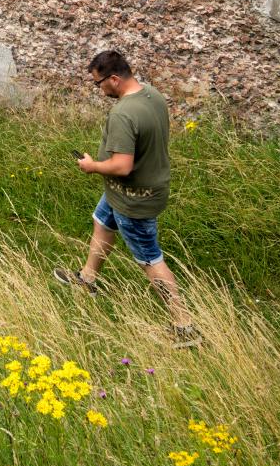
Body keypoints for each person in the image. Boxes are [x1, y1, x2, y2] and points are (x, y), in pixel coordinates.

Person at [52, 49, 200, 348]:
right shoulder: (152, 95)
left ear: (115, 79)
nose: (99, 89)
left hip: (134, 198)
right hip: (130, 190)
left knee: (149, 258)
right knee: (101, 220)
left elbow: (122, 165)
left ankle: (185, 326)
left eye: (99, 84)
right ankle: (88, 279)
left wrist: (92, 166)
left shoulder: (123, 113)